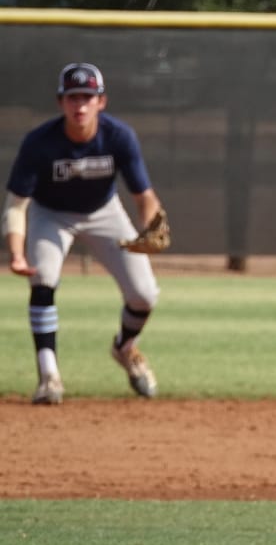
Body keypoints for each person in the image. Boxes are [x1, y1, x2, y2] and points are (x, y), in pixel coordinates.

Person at [6, 63, 164, 404]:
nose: (80, 105)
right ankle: (49, 376)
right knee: (43, 276)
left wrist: (150, 227)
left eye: (88, 97)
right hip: (52, 215)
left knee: (144, 295)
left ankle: (125, 348)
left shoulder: (118, 137)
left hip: (104, 211)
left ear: (101, 102)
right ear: (60, 102)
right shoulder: (40, 142)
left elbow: (145, 197)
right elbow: (16, 205)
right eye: (73, 97)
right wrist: (16, 253)